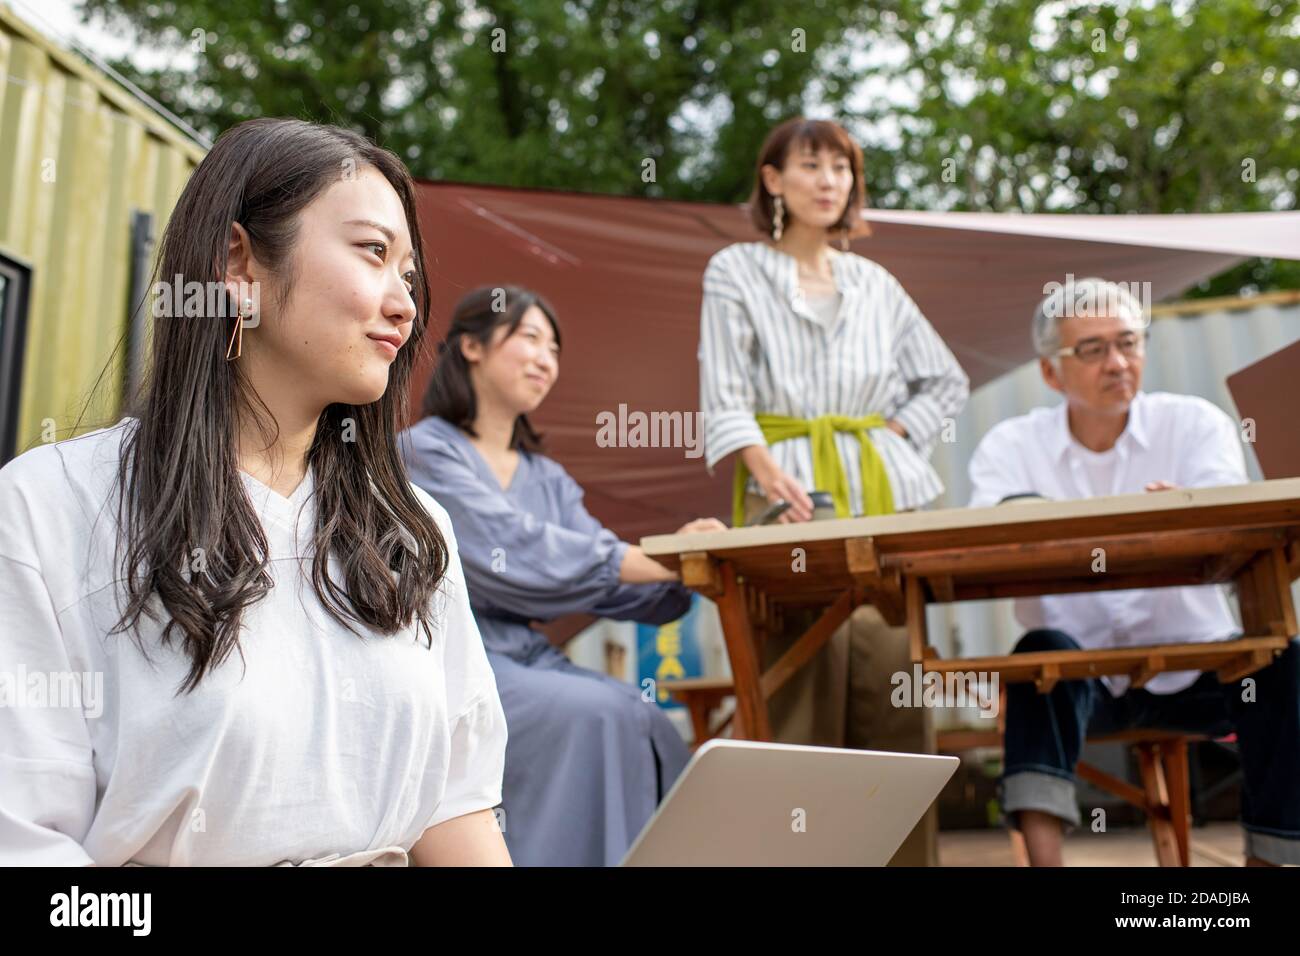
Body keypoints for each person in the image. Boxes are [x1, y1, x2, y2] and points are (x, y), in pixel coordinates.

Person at [0, 118, 510, 866]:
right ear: (238, 263)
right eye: (374, 252)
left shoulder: (415, 531)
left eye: (409, 277)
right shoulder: (50, 507)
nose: (406, 304)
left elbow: (454, 811)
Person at [697, 116, 970, 865]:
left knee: (894, 688)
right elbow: (722, 393)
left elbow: (946, 378)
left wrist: (897, 436)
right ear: (773, 179)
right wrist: (763, 468)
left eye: (842, 168)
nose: (829, 181)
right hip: (785, 499)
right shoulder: (735, 270)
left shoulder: (876, 283)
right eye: (811, 165)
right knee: (797, 686)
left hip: (883, 497)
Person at [968, 276, 1300, 867]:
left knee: (1284, 662)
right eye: (1092, 350)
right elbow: (981, 544)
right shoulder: (1010, 446)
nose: (1118, 362)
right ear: (1050, 373)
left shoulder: (1194, 425)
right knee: (1034, 656)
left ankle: (1271, 863)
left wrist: (1194, 519)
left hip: (1197, 672)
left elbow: (1237, 542)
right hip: (1081, 683)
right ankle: (1047, 866)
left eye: (1129, 342)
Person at [402, 285, 724, 866]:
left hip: (527, 656)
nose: (546, 358)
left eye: (554, 347)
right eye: (529, 337)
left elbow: (598, 567)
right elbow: (513, 549)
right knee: (595, 713)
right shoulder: (424, 452)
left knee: (645, 717)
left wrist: (688, 574)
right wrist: (665, 556)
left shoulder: (546, 477)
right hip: (454, 660)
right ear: (471, 346)